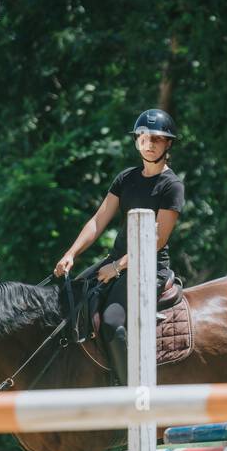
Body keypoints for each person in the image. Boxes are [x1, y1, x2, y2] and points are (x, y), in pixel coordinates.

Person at [53, 109, 185, 385]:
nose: (149, 145)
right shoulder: (126, 178)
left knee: (112, 322)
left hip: (149, 268)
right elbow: (98, 221)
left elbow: (157, 240)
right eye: (143, 138)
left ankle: (135, 393)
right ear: (136, 141)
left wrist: (117, 267)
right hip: (114, 261)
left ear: (168, 143)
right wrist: (71, 253)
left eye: (157, 140)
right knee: (69, 298)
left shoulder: (172, 186)